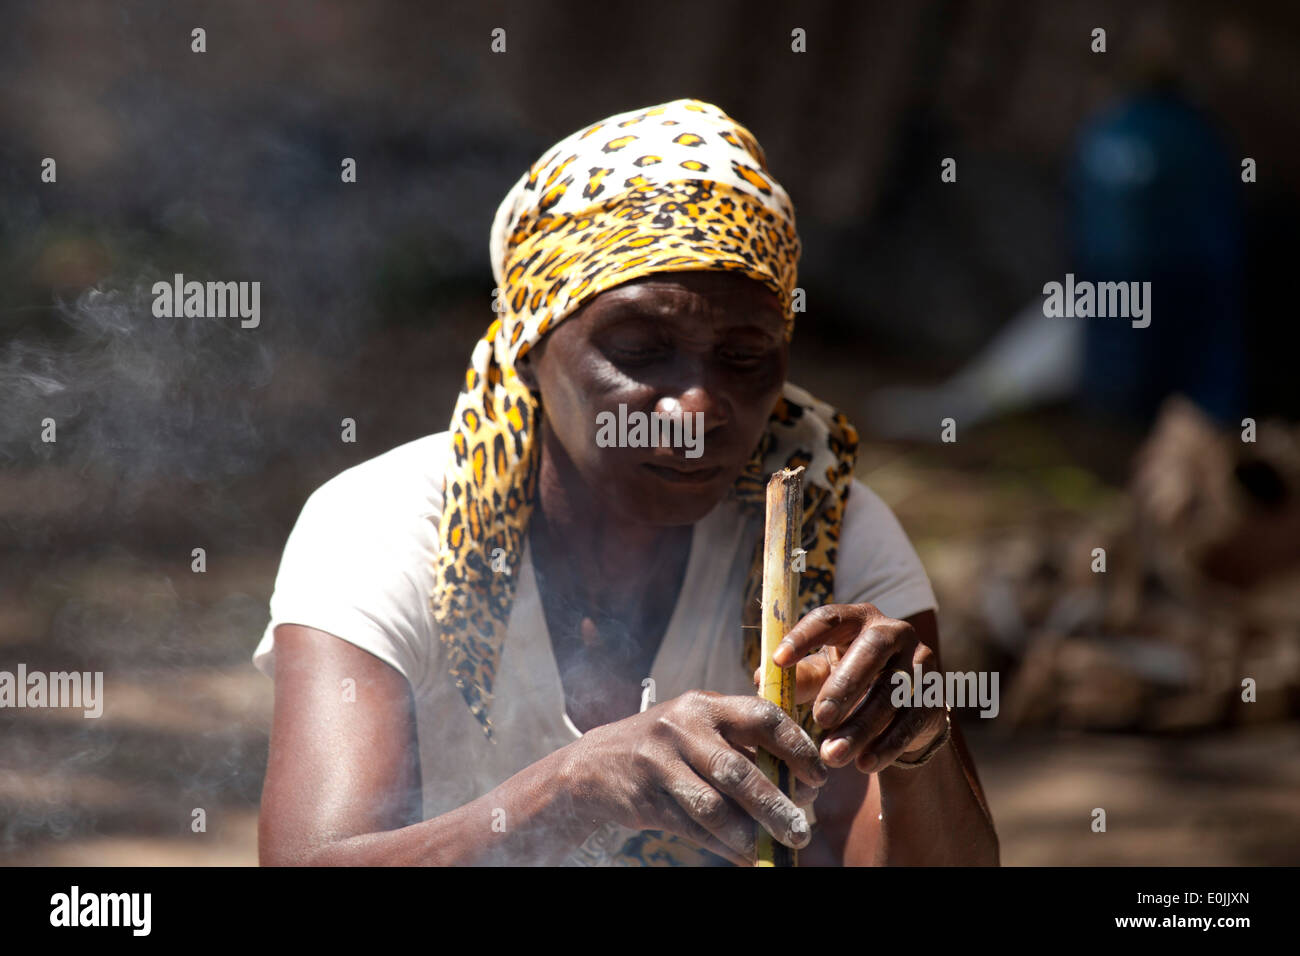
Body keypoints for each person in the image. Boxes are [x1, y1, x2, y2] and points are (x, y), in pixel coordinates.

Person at [254, 98, 998, 866]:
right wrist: (570, 789)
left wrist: (919, 744)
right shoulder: (383, 526)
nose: (699, 406)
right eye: (640, 348)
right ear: (529, 349)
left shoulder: (832, 537)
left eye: (744, 357)